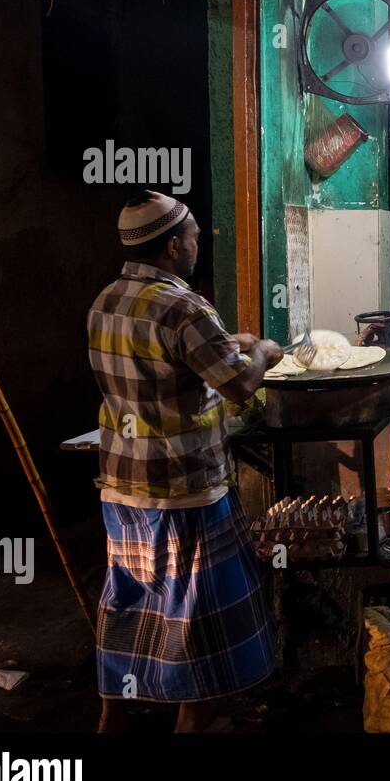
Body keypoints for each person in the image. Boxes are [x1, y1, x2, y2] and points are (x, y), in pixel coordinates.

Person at [87, 190, 283, 732]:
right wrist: (264, 350)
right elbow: (241, 385)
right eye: (195, 235)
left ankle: (113, 719)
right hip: (184, 487)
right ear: (174, 245)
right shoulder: (184, 306)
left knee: (132, 605)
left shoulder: (105, 300)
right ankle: (189, 725)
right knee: (193, 617)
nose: (199, 243)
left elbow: (165, 361)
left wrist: (229, 339)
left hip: (123, 486)